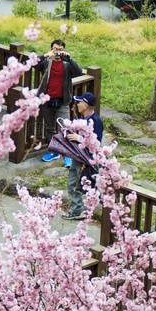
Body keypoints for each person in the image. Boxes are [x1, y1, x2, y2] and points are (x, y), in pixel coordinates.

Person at [34, 39, 83, 152]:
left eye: (60, 50)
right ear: (51, 49)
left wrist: (70, 59)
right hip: (46, 99)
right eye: (55, 49)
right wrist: (46, 55)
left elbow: (78, 72)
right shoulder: (46, 61)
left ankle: (68, 154)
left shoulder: (67, 64)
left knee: (66, 128)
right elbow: (34, 64)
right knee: (49, 127)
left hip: (63, 100)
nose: (57, 52)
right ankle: (54, 151)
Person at [62, 92, 103, 221]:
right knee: (81, 183)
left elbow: (96, 142)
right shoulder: (85, 119)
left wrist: (78, 138)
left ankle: (77, 210)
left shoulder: (95, 121)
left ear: (85, 105)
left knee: (74, 183)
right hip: (80, 155)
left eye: (79, 102)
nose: (77, 104)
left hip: (86, 158)